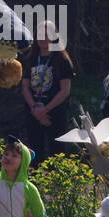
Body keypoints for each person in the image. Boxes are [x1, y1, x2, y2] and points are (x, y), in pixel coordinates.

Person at [21, 20, 74, 164]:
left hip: (55, 114)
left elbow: (65, 90)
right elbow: (25, 86)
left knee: (57, 153)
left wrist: (46, 110)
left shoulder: (62, 60)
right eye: (39, 34)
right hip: (33, 113)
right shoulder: (31, 58)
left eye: (46, 34)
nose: (43, 38)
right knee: (34, 151)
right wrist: (35, 108)